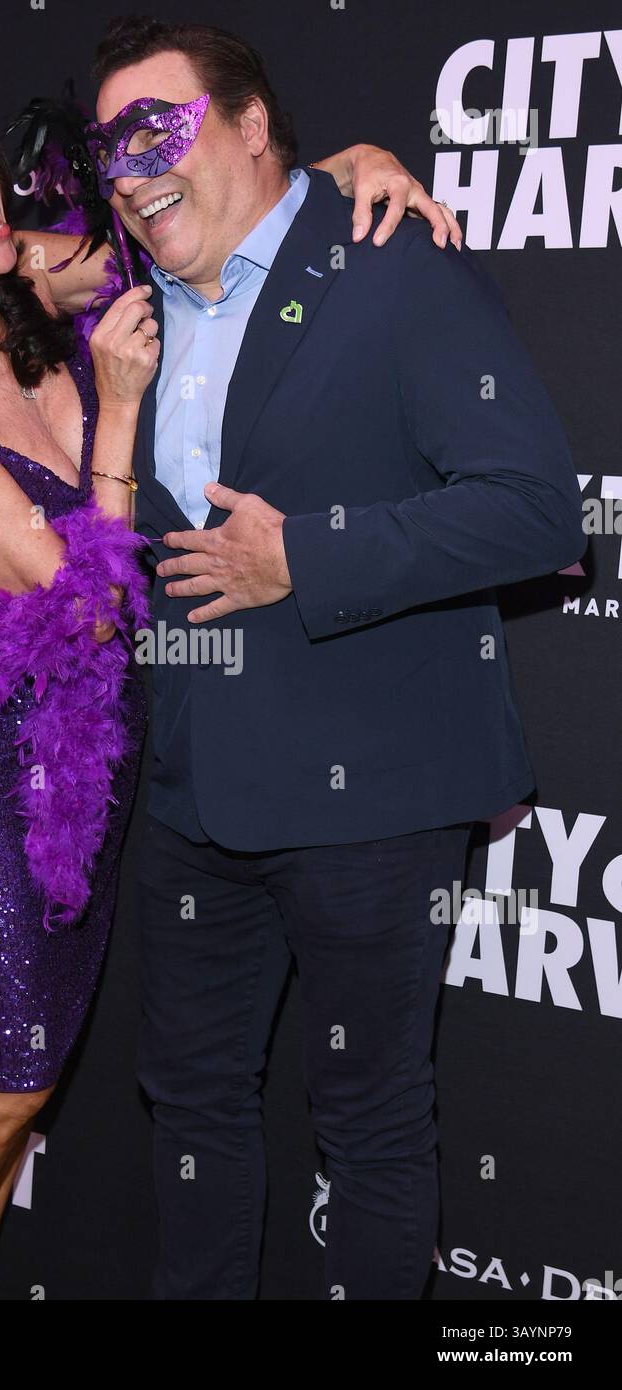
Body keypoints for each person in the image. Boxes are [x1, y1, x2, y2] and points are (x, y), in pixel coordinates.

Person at [0, 67, 438, 1301]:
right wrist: (119, 415)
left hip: (81, 776)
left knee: (20, 1067)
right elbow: (86, 605)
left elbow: (211, 217)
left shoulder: (25, 278)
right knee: (9, 1075)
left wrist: (346, 166)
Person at [85, 17, 587, 1299]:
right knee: (192, 1112)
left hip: (374, 790)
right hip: (197, 794)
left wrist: (306, 558)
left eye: (160, 129)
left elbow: (536, 509)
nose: (133, 168)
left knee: (367, 1129)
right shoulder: (127, 310)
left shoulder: (389, 260)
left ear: (251, 126)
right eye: (111, 147)